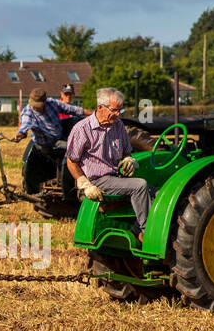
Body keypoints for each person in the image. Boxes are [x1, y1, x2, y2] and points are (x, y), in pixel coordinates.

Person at [66, 87, 154, 241]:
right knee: (140, 185)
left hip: (115, 177)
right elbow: (71, 161)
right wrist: (85, 185)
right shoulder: (82, 129)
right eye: (115, 110)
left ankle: (135, 231)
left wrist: (129, 160)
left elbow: (127, 152)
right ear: (100, 107)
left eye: (121, 110)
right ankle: (147, 234)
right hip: (96, 180)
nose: (118, 114)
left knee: (159, 194)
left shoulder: (118, 125)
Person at [11, 87, 88, 194]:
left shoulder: (52, 103)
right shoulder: (28, 112)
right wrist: (19, 136)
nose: (35, 107)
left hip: (59, 138)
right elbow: (24, 127)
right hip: (46, 144)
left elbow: (73, 110)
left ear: (44, 102)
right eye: (33, 104)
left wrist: (93, 113)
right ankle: (80, 179)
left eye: (38, 105)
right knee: (77, 149)